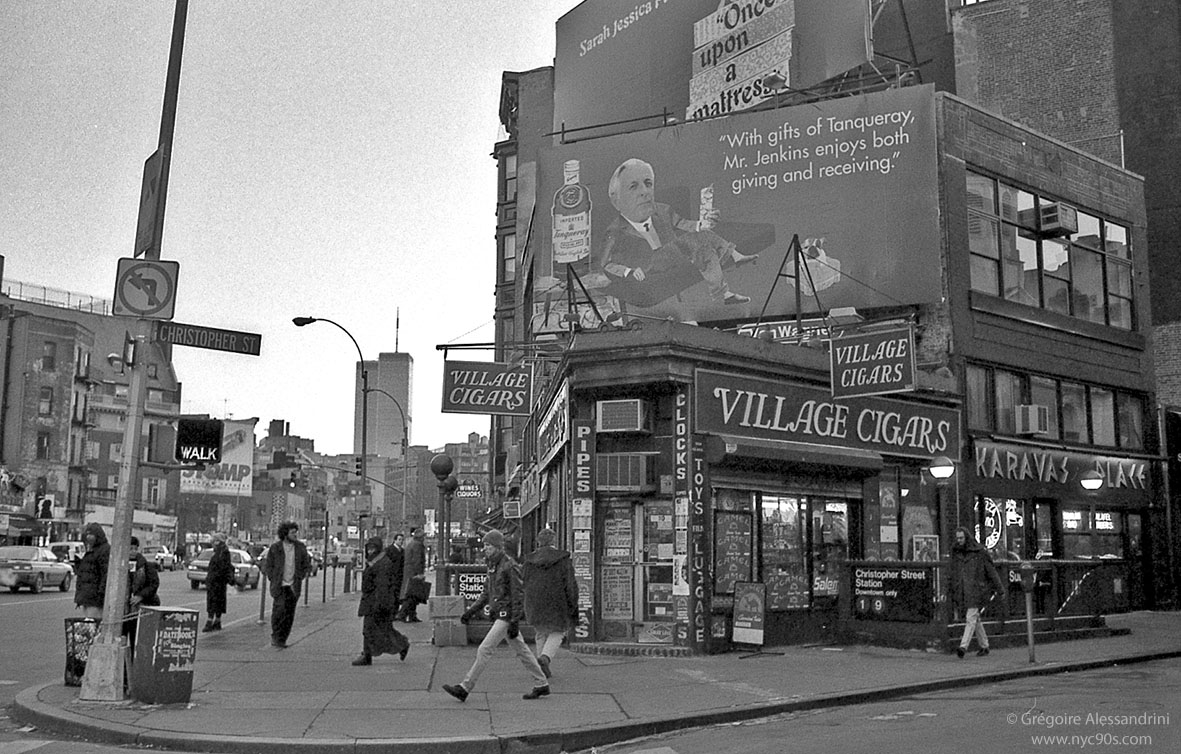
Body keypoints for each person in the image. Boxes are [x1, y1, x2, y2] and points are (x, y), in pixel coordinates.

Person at [598, 158, 757, 308]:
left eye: (648, 184)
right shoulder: (615, 231)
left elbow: (682, 224)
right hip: (648, 267)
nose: (645, 192)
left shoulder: (662, 210)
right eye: (633, 186)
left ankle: (724, 295)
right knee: (692, 239)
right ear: (616, 201)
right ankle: (734, 255)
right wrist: (628, 271)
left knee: (704, 250)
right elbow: (606, 264)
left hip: (674, 257)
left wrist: (703, 223)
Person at [443, 529, 550, 702]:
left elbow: (518, 594)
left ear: (498, 547)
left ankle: (465, 687)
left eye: (488, 545)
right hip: (504, 614)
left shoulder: (509, 565)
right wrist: (470, 612)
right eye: (484, 545)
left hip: (506, 615)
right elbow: (487, 592)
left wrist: (515, 620)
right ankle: (541, 683)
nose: (484, 548)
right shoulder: (494, 565)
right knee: (522, 651)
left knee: (484, 649)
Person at [521, 528, 579, 679]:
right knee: (558, 632)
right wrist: (572, 604)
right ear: (554, 541)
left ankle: (540, 670)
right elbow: (570, 585)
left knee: (540, 633)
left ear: (538, 542)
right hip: (557, 601)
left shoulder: (529, 561)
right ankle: (545, 658)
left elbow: (523, 582)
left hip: (534, 601)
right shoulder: (563, 560)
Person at [353, 537, 410, 666]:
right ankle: (400, 645)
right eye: (369, 548)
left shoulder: (382, 563)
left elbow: (383, 586)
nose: (370, 551)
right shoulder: (375, 561)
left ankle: (368, 655)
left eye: (373, 548)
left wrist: (380, 604)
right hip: (373, 600)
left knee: (374, 629)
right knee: (378, 629)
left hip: (377, 602)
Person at [949, 526, 1004, 658]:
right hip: (964, 589)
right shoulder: (956, 552)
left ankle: (963, 646)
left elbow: (991, 571)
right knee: (975, 619)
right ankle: (984, 646)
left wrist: (1000, 588)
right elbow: (953, 571)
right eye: (957, 538)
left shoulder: (980, 553)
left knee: (970, 618)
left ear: (966, 537)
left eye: (961, 538)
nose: (959, 540)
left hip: (976, 589)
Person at [263, 521, 311, 649]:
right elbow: (269, 565)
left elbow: (306, 564)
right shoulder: (276, 548)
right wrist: (273, 578)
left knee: (289, 613)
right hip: (280, 585)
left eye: (296, 532)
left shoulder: (300, 547)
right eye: (292, 532)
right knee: (279, 611)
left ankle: (283, 638)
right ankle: (276, 636)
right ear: (285, 533)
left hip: (293, 586)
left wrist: (301, 575)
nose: (295, 535)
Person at [124, 536, 160, 651]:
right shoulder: (119, 565)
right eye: (130, 548)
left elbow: (153, 584)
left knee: (136, 641)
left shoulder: (145, 566)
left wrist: (140, 596)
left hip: (139, 609)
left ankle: (135, 665)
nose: (133, 551)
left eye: (135, 548)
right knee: (122, 640)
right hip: (123, 611)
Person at [74, 522, 110, 620]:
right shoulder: (91, 550)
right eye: (87, 534)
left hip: (95, 598)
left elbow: (105, 574)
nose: (89, 537)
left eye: (92, 534)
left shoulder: (104, 550)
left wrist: (100, 594)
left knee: (94, 624)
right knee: (90, 623)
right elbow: (84, 573)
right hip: (87, 596)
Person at [203, 533, 236, 633]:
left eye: (214, 541)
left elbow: (222, 567)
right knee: (218, 601)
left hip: (217, 581)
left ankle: (211, 621)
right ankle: (217, 621)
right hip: (217, 581)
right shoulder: (220, 551)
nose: (212, 543)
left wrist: (213, 577)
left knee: (214, 601)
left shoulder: (222, 552)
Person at [397, 528, 427, 622]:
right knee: (412, 595)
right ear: (420, 537)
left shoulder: (411, 544)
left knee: (412, 594)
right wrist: (419, 574)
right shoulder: (418, 545)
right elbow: (417, 560)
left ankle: (411, 615)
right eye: (423, 537)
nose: (424, 538)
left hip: (409, 571)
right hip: (413, 572)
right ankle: (403, 614)